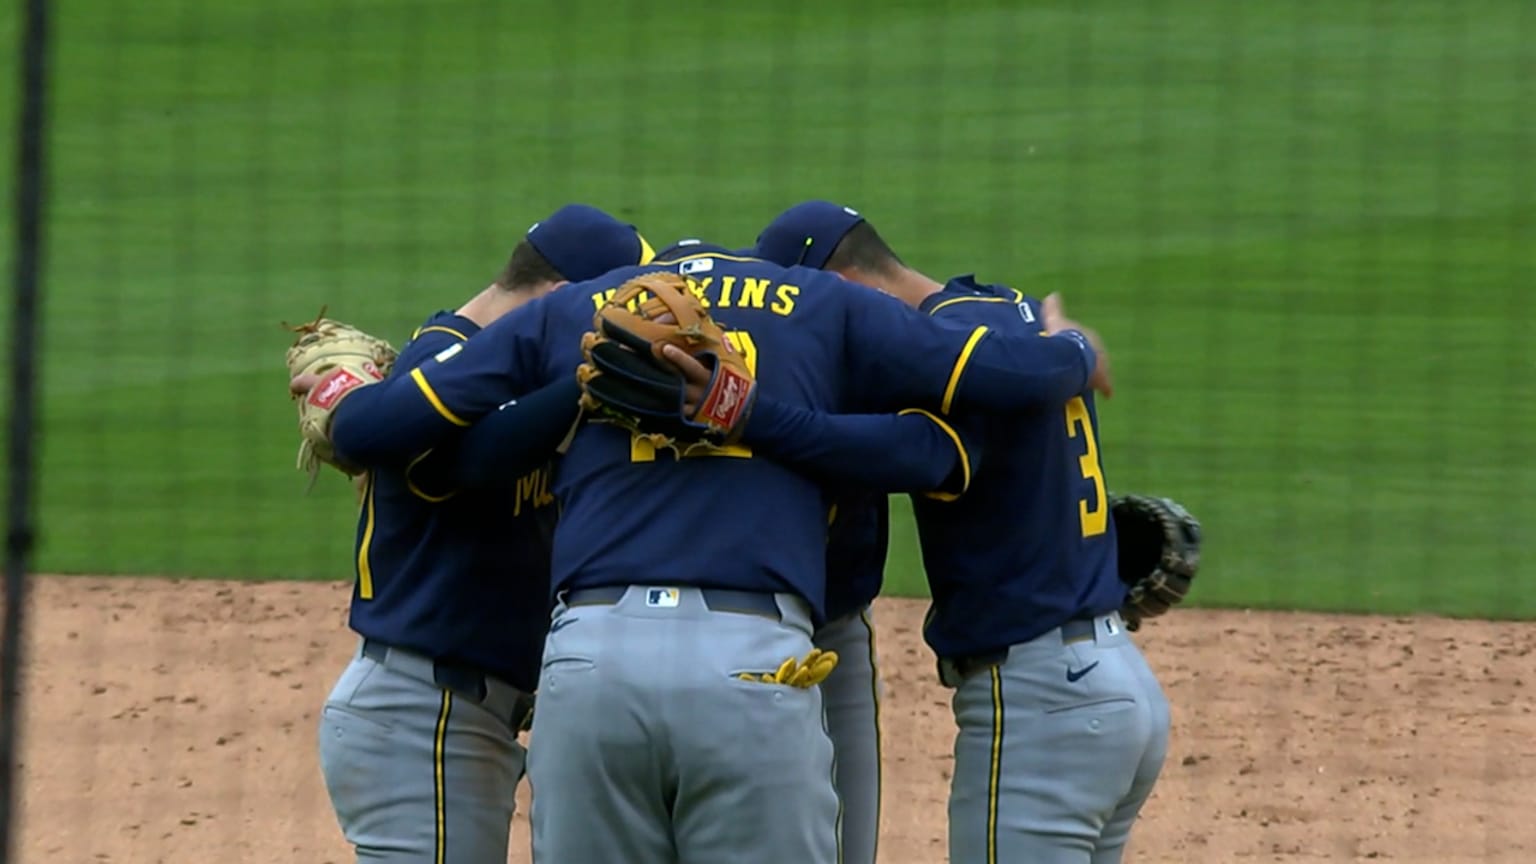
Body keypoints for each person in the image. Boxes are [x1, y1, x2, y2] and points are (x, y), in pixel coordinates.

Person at [304, 239, 1109, 864]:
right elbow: (1000, 385)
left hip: (589, 667)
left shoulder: (576, 310)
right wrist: (1074, 349)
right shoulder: (827, 305)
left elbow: (409, 449)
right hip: (751, 664)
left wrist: (356, 397)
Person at [755, 201, 1168, 864]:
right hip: (1116, 685)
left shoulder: (946, 352)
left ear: (840, 285)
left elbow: (913, 454)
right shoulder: (1008, 313)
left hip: (1042, 706)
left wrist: (752, 416)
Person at [304, 204, 654, 864]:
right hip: (422, 715)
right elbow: (458, 463)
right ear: (558, 297)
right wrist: (588, 385)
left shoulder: (517, 371)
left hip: (465, 715)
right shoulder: (439, 362)